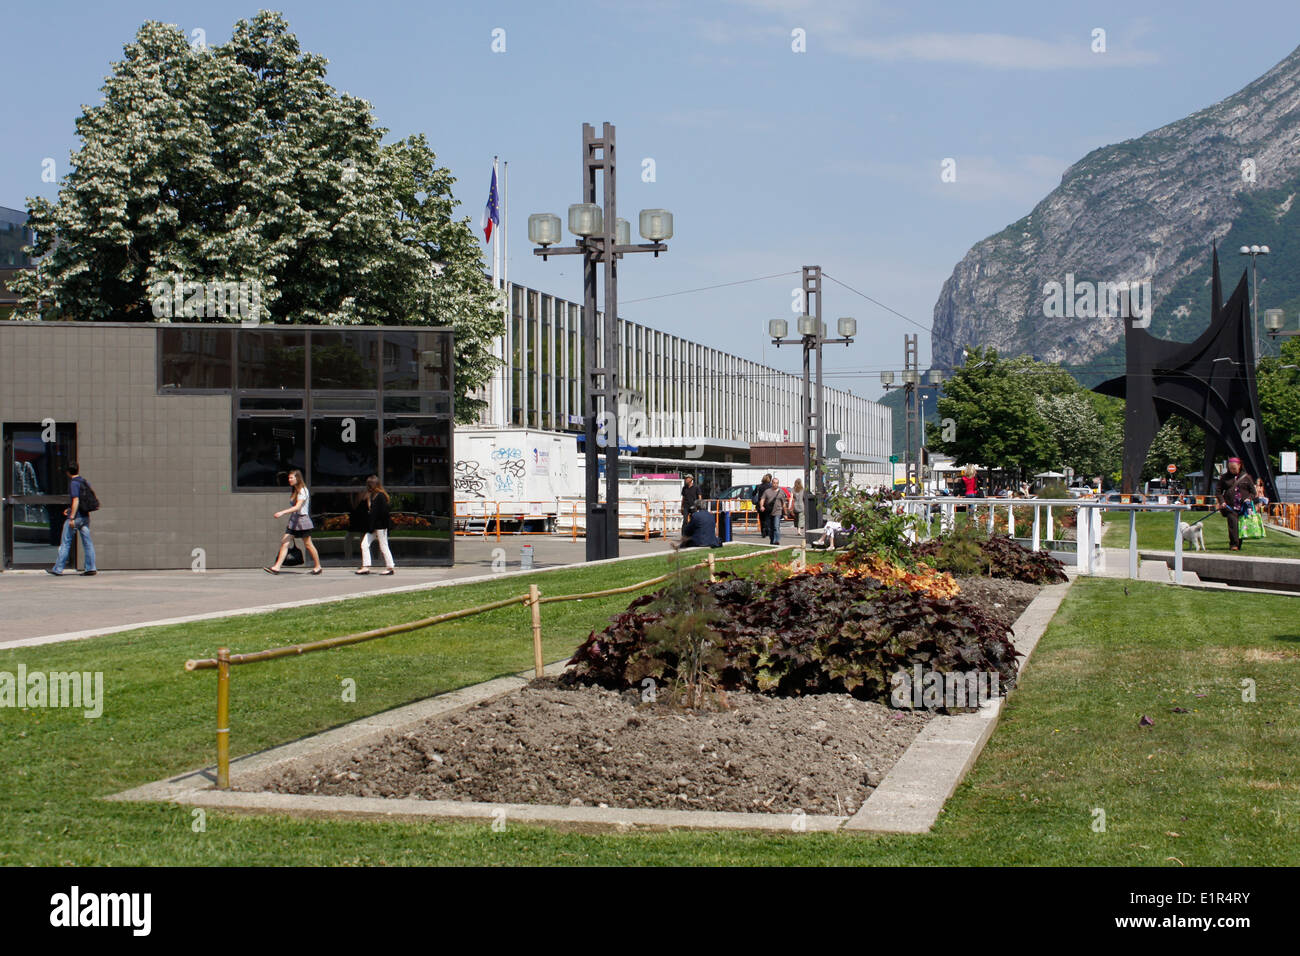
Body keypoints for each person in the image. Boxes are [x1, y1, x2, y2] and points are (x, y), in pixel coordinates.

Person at [264, 469, 322, 574]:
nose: (289, 480)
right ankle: (276, 567)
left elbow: (298, 507)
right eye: (289, 478)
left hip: (302, 520)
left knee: (308, 544)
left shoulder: (303, 491)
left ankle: (318, 566)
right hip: (294, 520)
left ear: (297, 478)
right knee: (285, 542)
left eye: (291, 478)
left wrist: (282, 512)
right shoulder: (295, 490)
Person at [47, 461, 97, 576]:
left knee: (66, 542)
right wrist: (69, 509)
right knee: (88, 543)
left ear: (68, 472)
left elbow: (76, 500)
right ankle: (91, 568)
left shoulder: (74, 483)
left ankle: (58, 569)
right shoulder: (84, 481)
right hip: (85, 516)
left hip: (77, 517)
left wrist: (72, 517)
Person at [356, 475, 396, 575]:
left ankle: (390, 567)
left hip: (380, 526)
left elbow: (382, 514)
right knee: (364, 544)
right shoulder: (374, 496)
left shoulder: (380, 496)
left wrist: (379, 527)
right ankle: (366, 566)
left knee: (383, 546)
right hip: (375, 527)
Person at [1216, 457, 1255, 552]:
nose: (1232, 470)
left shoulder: (1246, 477)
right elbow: (1218, 491)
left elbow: (1253, 492)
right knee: (1233, 525)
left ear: (1239, 466)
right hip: (1230, 506)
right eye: (1230, 468)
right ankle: (1234, 544)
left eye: (1234, 468)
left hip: (1243, 507)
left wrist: (1248, 498)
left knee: (1241, 526)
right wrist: (1222, 502)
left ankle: (1239, 543)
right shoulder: (1224, 477)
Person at [761, 480, 786, 545]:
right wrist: (761, 506)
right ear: (772, 483)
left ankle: (776, 541)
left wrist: (785, 513)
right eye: (774, 483)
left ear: (778, 484)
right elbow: (762, 499)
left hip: (778, 511)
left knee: (776, 527)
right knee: (769, 528)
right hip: (769, 512)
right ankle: (772, 540)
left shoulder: (781, 492)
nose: (775, 484)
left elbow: (783, 503)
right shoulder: (767, 491)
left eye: (777, 483)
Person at [752, 474, 772, 539]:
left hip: (760, 504)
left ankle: (763, 531)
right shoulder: (770, 486)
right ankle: (768, 531)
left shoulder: (759, 486)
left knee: (762, 519)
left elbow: (753, 493)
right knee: (768, 518)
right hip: (768, 504)